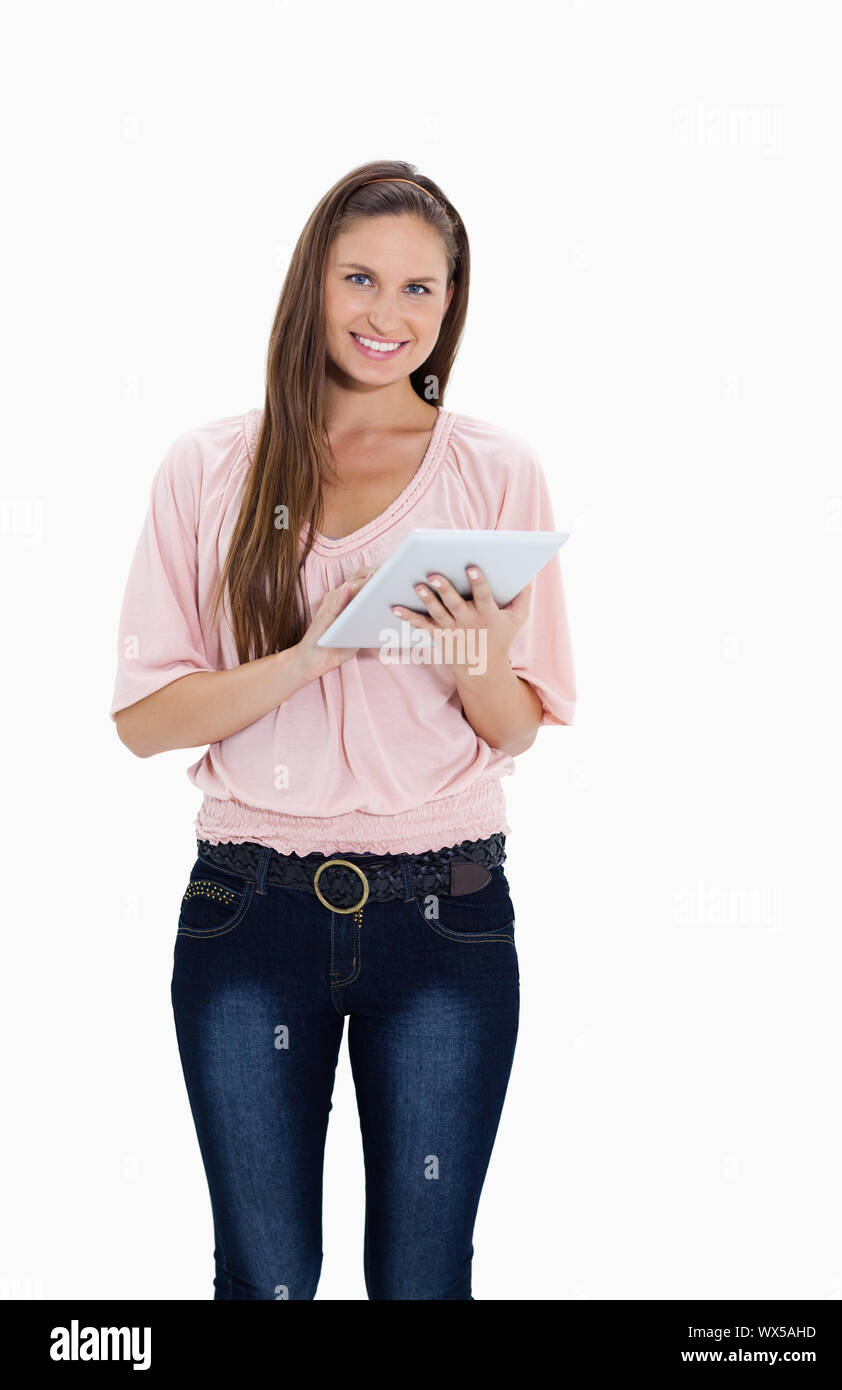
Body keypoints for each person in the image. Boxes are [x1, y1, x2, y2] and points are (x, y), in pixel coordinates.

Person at [109, 160, 576, 1300]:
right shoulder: (213, 466)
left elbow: (517, 722)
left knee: (422, 1279)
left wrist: (472, 660)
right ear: (311, 283)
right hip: (246, 911)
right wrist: (310, 654)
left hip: (445, 917)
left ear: (451, 306)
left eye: (422, 290)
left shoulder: (495, 469)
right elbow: (142, 721)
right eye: (360, 278)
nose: (387, 315)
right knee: (264, 1278)